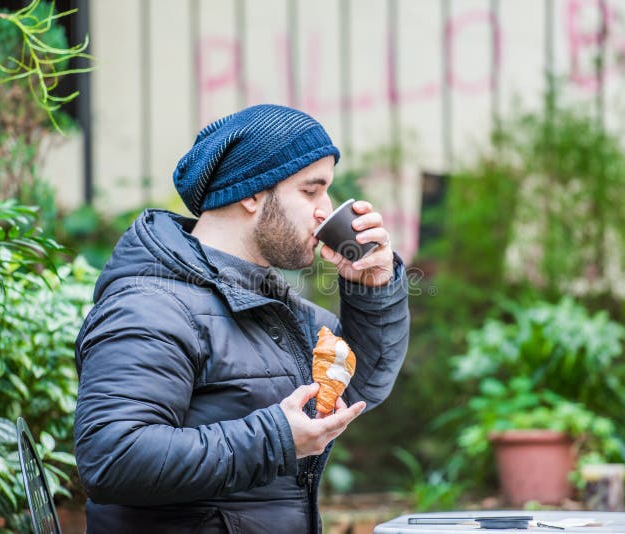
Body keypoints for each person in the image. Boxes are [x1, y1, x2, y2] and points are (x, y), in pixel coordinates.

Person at [74, 104, 409, 533]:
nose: (326, 211)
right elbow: (112, 459)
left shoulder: (276, 306)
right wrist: (276, 439)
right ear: (251, 192)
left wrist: (373, 289)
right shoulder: (150, 306)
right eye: (311, 191)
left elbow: (359, 387)